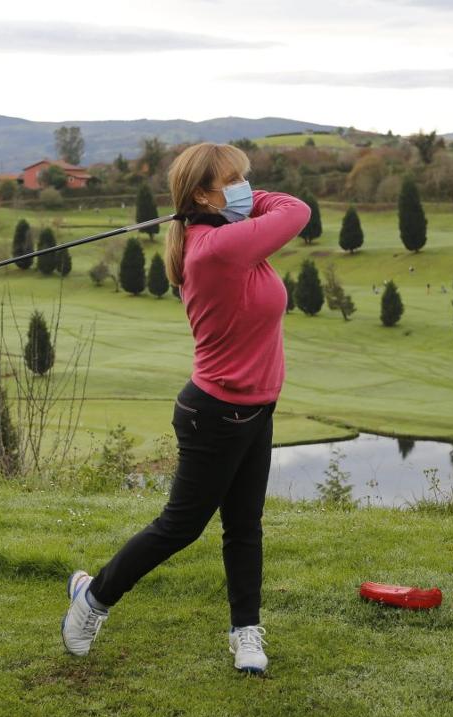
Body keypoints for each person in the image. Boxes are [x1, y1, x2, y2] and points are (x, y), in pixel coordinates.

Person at [61, 143, 310, 675]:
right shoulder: (218, 248)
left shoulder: (225, 239)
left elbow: (278, 215)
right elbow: (297, 210)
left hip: (257, 409)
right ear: (201, 194)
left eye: (248, 178)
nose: (246, 187)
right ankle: (93, 598)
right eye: (234, 179)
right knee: (180, 527)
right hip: (215, 415)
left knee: (245, 527)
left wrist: (226, 200)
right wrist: (246, 202)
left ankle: (246, 633)